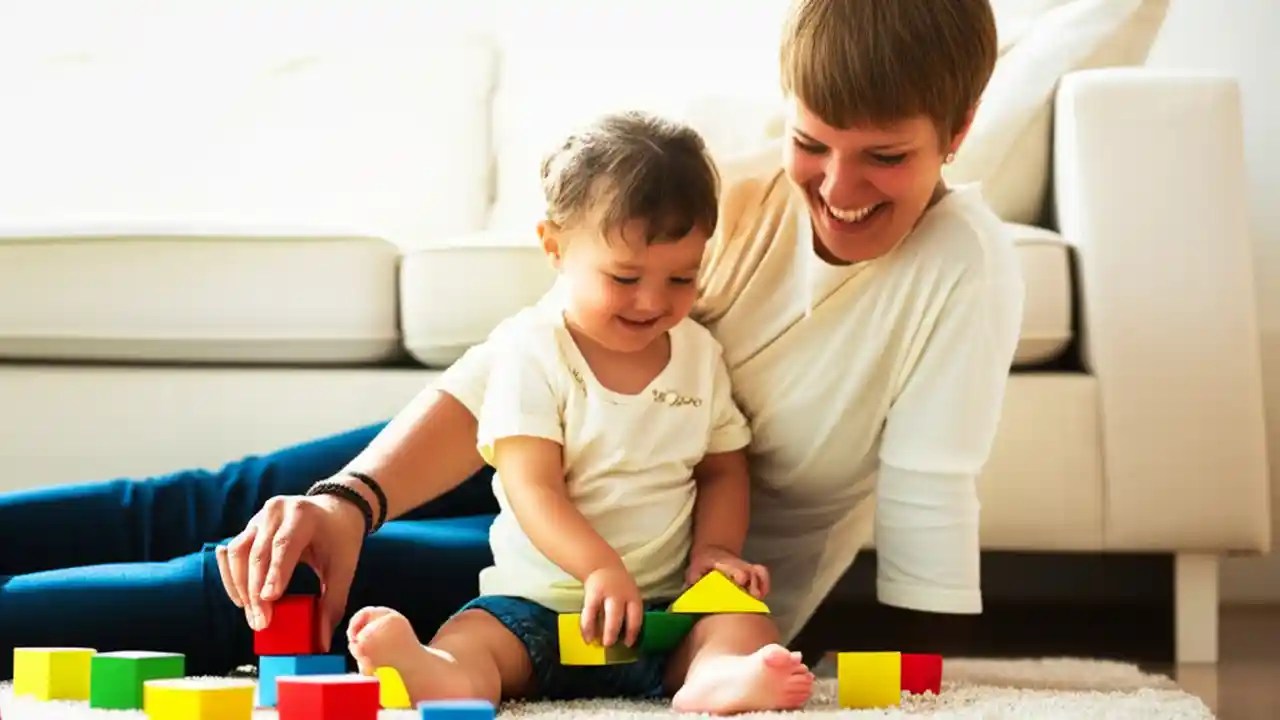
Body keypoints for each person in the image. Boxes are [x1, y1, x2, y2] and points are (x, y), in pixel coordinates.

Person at [0, 0, 1022, 691]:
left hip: (634, 568)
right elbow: (531, 358)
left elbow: (926, 510)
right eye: (814, 143)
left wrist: (908, 677)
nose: (838, 189)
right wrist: (352, 498)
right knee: (261, 504)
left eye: (883, 158)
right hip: (535, 440)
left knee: (260, 590)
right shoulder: (733, 184)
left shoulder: (960, 271)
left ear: (959, 129)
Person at [342, 110, 814, 713]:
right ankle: (436, 671)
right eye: (624, 276)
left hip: (664, 610)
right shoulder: (532, 350)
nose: (652, 301)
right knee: (477, 640)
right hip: (538, 606)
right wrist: (599, 569)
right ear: (555, 247)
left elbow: (723, 468)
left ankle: (715, 676)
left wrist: (716, 551)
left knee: (739, 621)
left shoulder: (699, 353)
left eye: (681, 277)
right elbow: (533, 487)